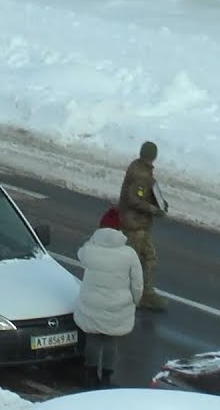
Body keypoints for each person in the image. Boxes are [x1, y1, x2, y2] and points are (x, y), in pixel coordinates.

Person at [74, 206, 143, 388]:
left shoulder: (91, 249)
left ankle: (90, 375)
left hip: (92, 305)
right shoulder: (129, 254)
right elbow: (137, 282)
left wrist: (91, 239)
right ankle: (106, 377)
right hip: (118, 306)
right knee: (111, 342)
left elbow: (80, 254)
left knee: (93, 340)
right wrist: (136, 300)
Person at [118, 141, 168, 311]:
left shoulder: (140, 168)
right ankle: (138, 295)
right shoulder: (141, 174)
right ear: (153, 155)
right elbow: (134, 199)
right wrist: (155, 209)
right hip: (135, 225)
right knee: (140, 260)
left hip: (138, 224)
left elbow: (144, 193)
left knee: (145, 258)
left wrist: (159, 202)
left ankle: (143, 293)